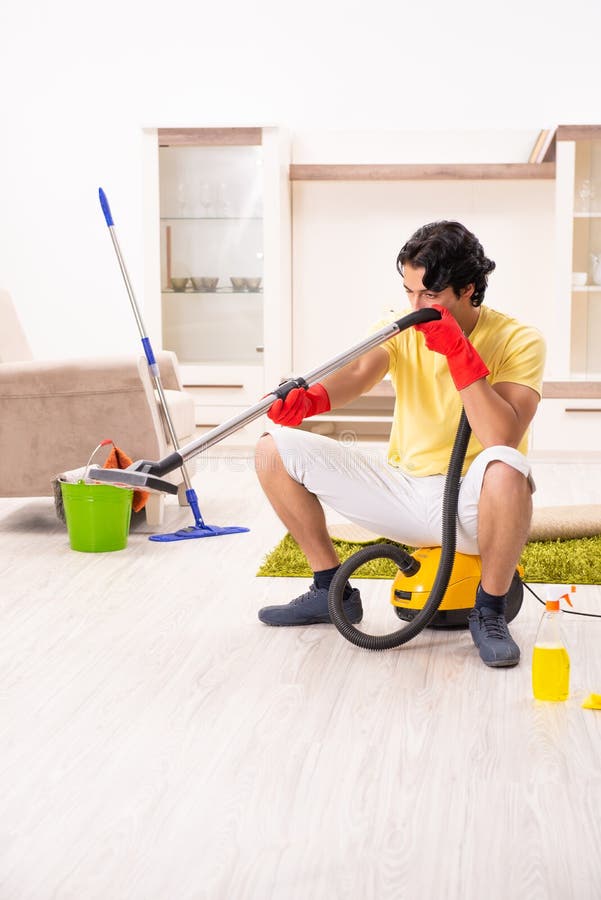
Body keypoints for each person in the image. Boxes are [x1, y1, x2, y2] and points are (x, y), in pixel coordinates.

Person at [255, 221, 546, 668]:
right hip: (403, 492)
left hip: (473, 506)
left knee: (508, 465)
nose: (415, 306)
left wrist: (458, 354)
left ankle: (489, 612)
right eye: (409, 291)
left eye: (429, 295)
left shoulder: (520, 340)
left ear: (468, 289)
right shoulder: (401, 327)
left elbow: (501, 435)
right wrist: (308, 400)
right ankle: (328, 589)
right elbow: (355, 374)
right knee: (273, 449)